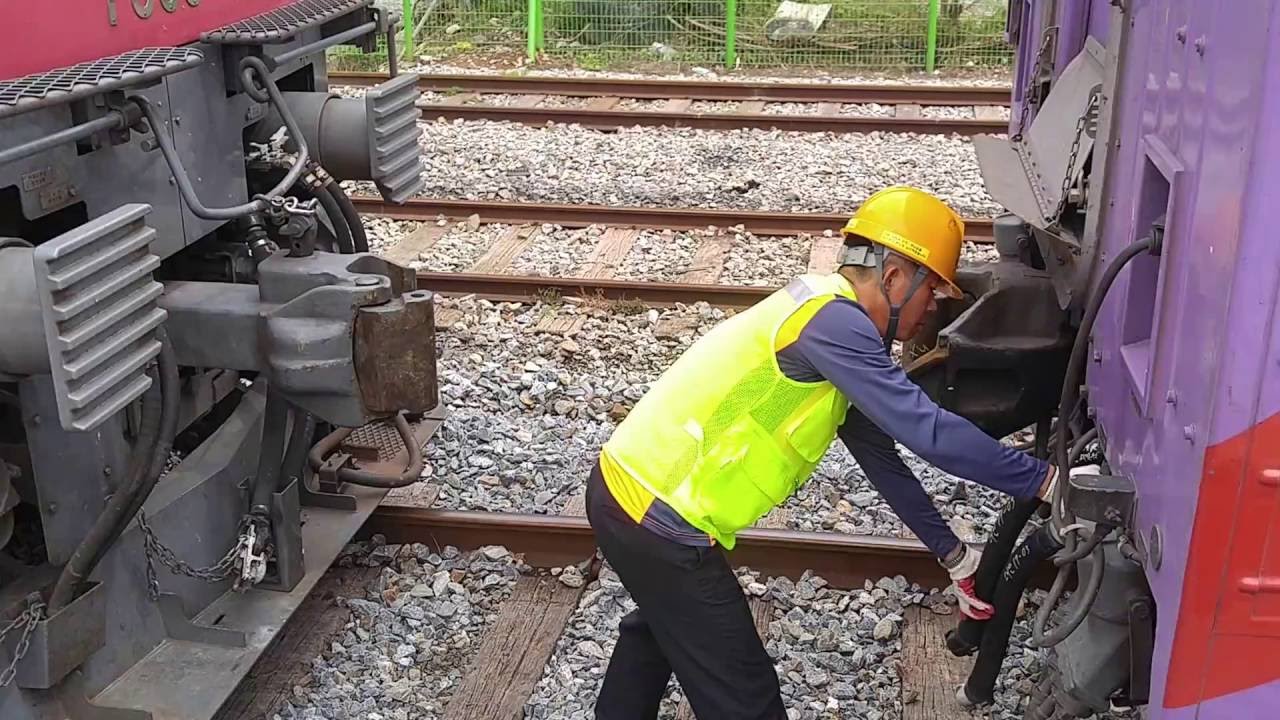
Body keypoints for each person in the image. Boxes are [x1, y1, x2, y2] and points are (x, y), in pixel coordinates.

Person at [584, 186, 1062, 720]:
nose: (932, 310)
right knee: (746, 697)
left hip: (628, 495)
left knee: (658, 633)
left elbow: (879, 452)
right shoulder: (835, 327)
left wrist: (955, 556)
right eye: (934, 293)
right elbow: (928, 431)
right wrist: (1045, 482)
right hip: (655, 517)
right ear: (897, 276)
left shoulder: (831, 319)